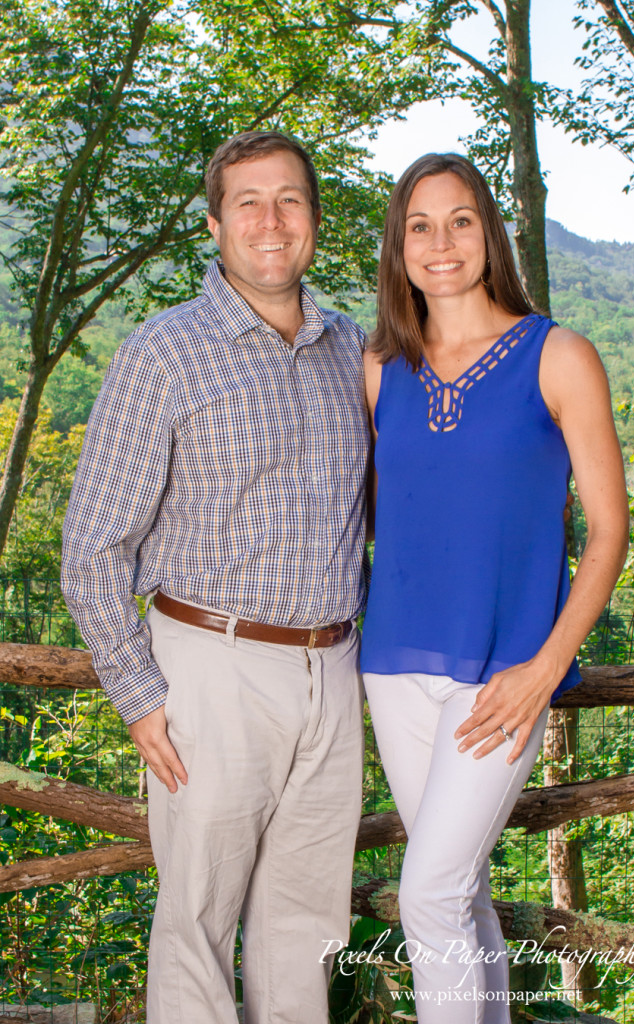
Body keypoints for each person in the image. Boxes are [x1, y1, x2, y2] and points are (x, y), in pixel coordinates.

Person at [61, 130, 370, 1024]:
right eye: (248, 203)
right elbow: (92, 545)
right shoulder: (163, 353)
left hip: (333, 666)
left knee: (305, 928)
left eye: (290, 201)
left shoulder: (352, 348)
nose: (270, 222)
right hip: (210, 665)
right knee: (197, 922)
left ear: (313, 219)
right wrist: (138, 691)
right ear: (214, 223)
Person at [360, 153, 629, 1023]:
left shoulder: (558, 356)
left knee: (427, 894)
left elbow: (608, 533)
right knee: (459, 888)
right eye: (420, 226)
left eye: (461, 220)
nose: (442, 243)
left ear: (490, 233)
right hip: (392, 665)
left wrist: (546, 666)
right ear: (398, 246)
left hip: (505, 674)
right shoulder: (379, 368)